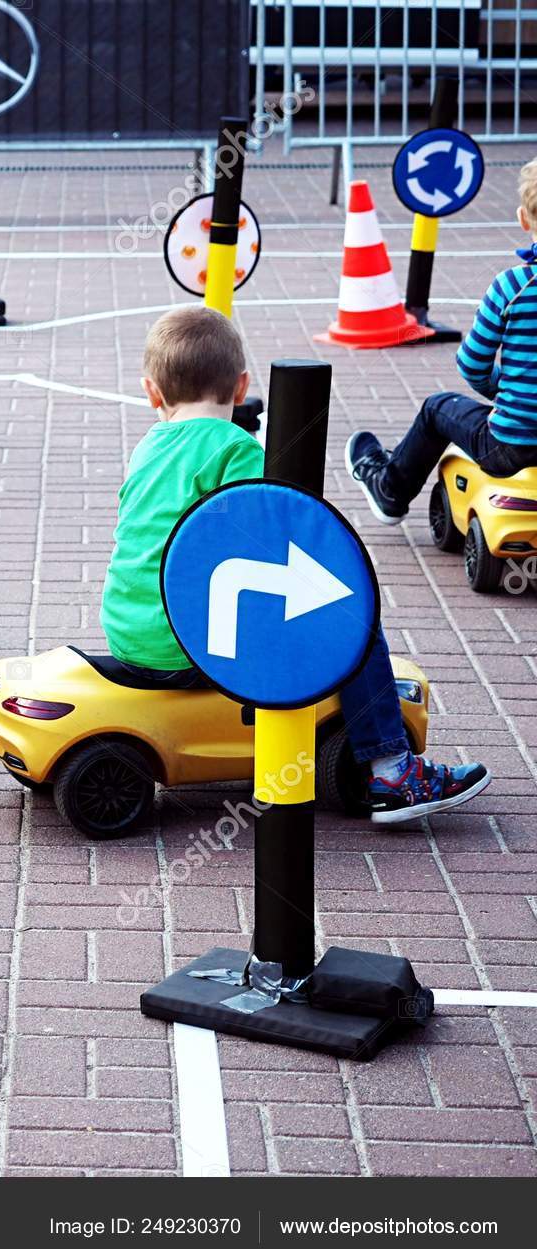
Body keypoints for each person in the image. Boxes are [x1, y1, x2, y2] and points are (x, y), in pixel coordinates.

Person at [102, 306, 489, 823]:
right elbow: (275, 533)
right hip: (188, 643)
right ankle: (393, 770)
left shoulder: (147, 447)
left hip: (130, 632)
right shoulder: (237, 448)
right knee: (354, 621)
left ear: (152, 393)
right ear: (241, 388)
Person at [347, 157, 537, 523]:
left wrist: (505, 393)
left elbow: (472, 364)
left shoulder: (512, 287)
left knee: (437, 408)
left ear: (523, 219)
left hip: (511, 447)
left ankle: (390, 489)